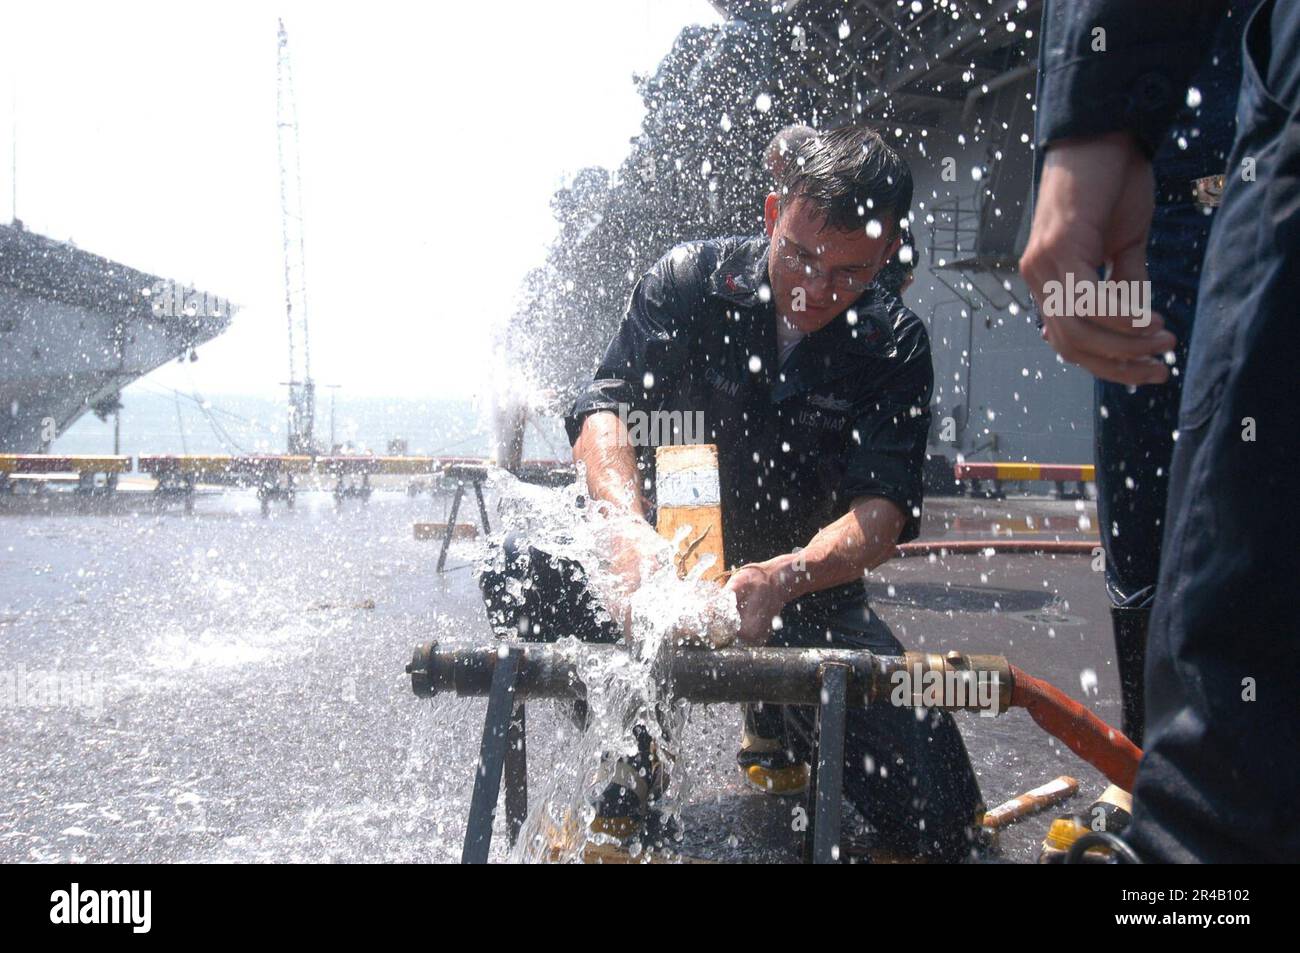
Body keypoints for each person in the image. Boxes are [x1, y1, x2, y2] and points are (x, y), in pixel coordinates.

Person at [483, 125, 987, 860]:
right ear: (773, 211)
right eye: (800, 256)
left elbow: (880, 516)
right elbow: (603, 411)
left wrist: (787, 578)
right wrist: (625, 533)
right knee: (516, 575)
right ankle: (633, 733)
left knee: (936, 812)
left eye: (849, 273)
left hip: (804, 593)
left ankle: (780, 714)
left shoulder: (894, 344)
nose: (815, 289)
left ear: (886, 254)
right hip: (663, 571)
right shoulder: (689, 281)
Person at [1021, 0, 1300, 861]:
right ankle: (1148, 745)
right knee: (1155, 484)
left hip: (1237, 166)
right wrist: (1103, 112)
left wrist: (1091, 119)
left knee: (1226, 515)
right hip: (1190, 185)